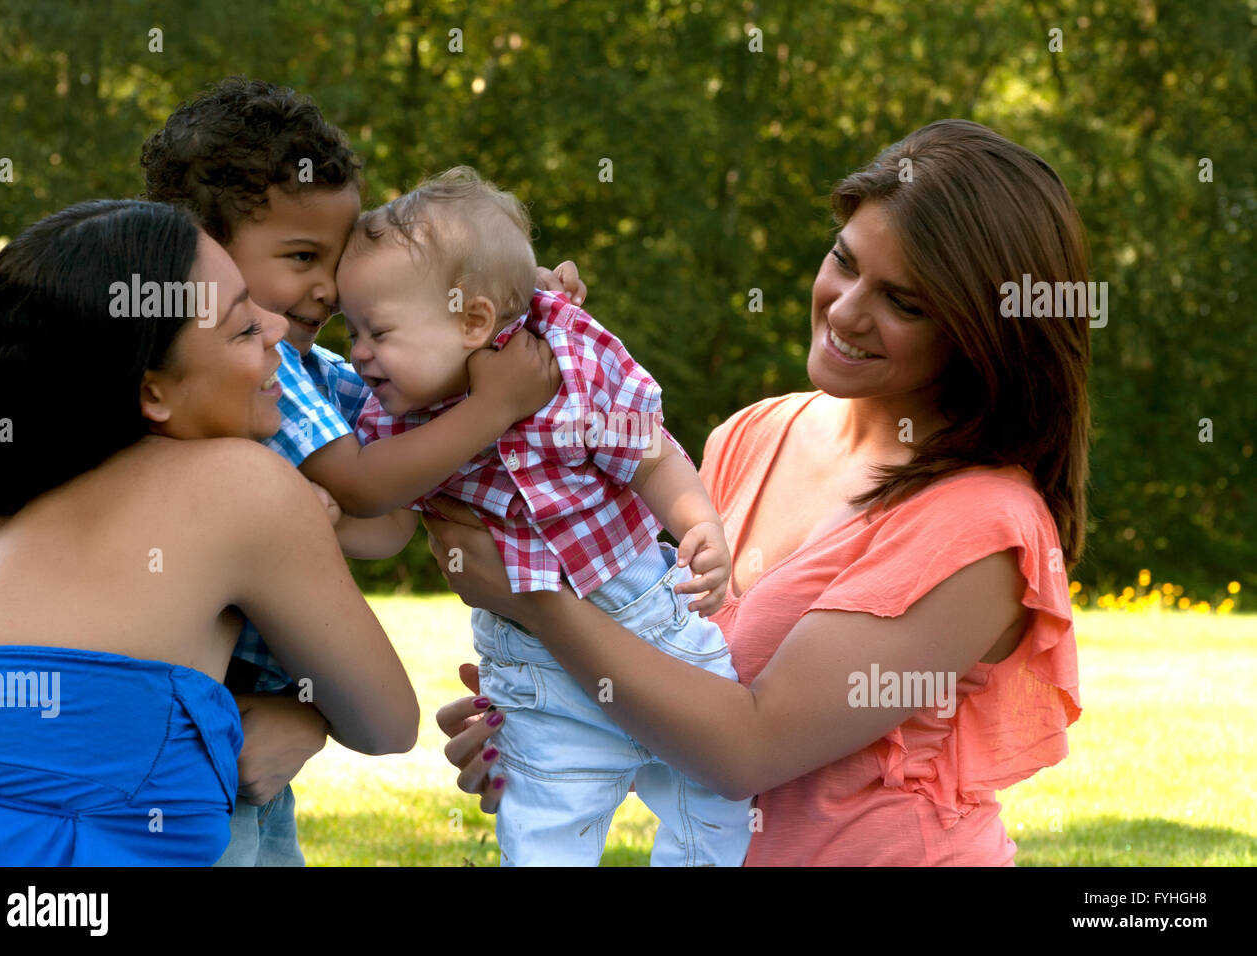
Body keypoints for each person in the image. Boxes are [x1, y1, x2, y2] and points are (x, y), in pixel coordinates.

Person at [427, 119, 1087, 866]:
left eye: (904, 303)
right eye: (844, 260)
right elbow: (669, 673)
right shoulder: (754, 434)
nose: (844, 310)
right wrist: (550, 731)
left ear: (980, 335)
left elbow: (749, 746)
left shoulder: (983, 527)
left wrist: (533, 599)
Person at [140, 77, 582, 864]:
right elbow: (370, 485)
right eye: (302, 257)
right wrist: (494, 408)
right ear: (197, 251)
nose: (329, 288)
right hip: (178, 749)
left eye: (336, 260)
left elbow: (387, 512)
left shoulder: (316, 373)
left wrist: (513, 304)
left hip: (259, 742)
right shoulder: (256, 368)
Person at [0, 199, 418, 865]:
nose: (275, 329)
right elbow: (387, 722)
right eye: (239, 329)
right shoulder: (241, 482)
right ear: (152, 394)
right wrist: (306, 713)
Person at [339, 166, 752, 866]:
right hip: (537, 680)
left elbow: (647, 454)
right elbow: (389, 523)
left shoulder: (565, 357)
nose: (356, 352)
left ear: (472, 320)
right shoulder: (394, 423)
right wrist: (325, 520)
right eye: (350, 330)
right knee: (542, 838)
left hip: (654, 626)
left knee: (717, 806)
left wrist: (699, 523)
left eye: (375, 332)